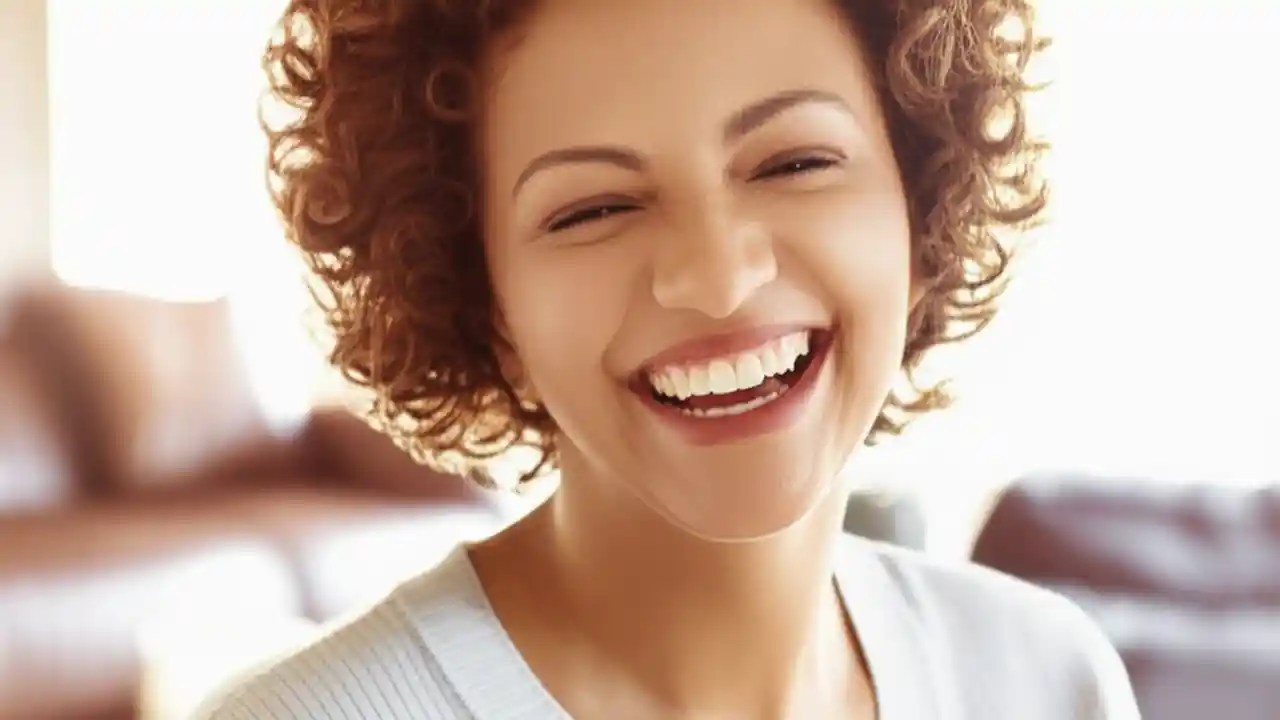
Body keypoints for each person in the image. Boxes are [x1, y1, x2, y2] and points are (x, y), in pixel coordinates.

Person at [198, 0, 1140, 717]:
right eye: (593, 210)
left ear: (919, 204)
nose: (719, 278)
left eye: (794, 163)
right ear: (485, 305)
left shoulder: (1046, 679)